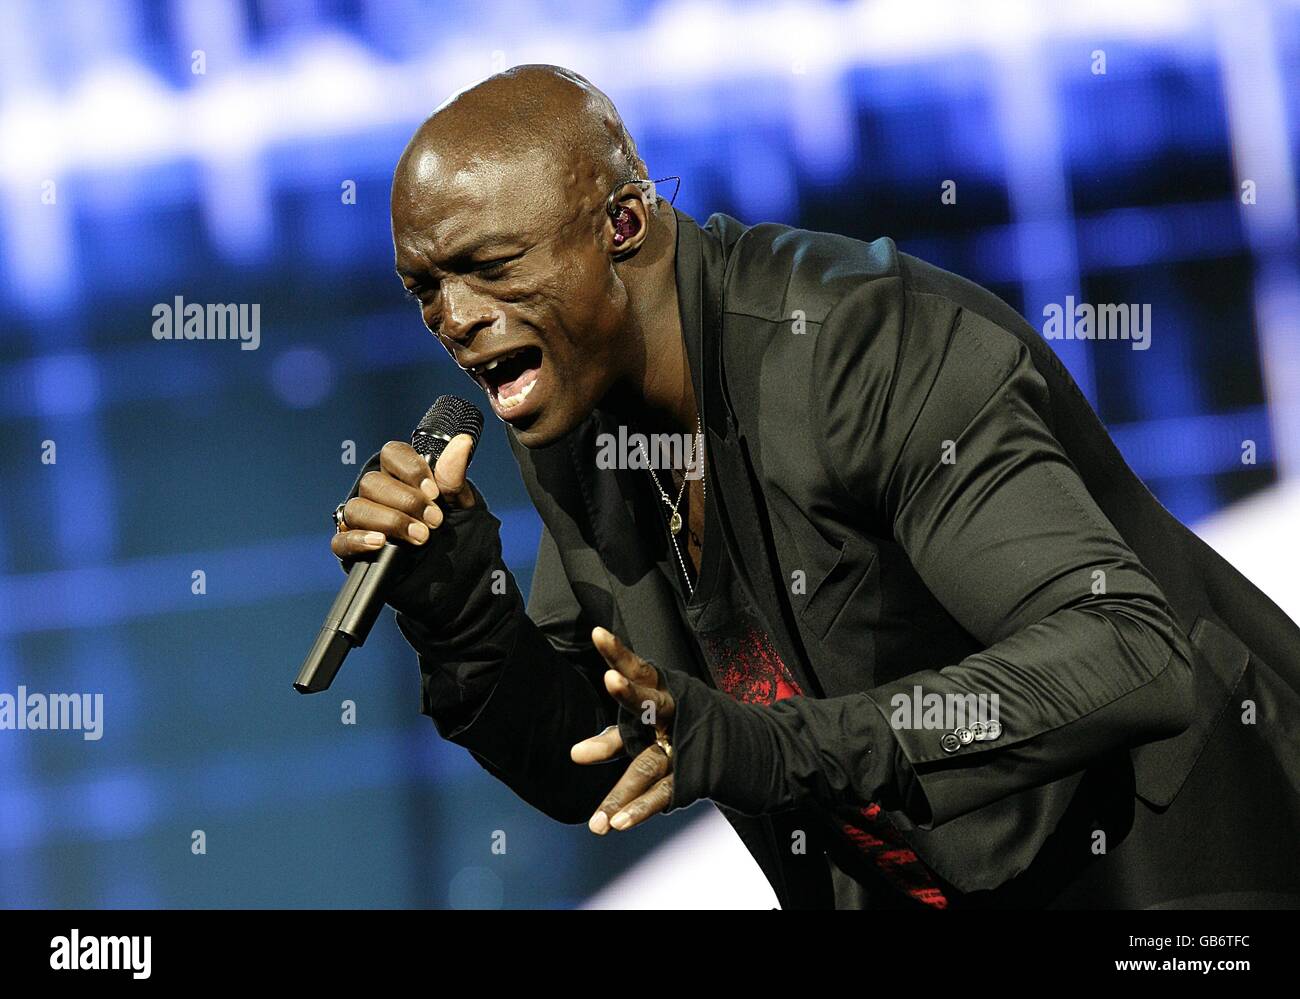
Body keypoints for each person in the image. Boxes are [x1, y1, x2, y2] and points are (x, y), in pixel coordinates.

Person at [330, 64, 1300, 909]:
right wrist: (462, 612)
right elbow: (611, 761)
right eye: (425, 289)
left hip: (1182, 857)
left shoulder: (858, 346)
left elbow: (1126, 653)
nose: (454, 318)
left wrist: (780, 749)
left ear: (622, 224)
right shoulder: (575, 414)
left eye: (488, 269)